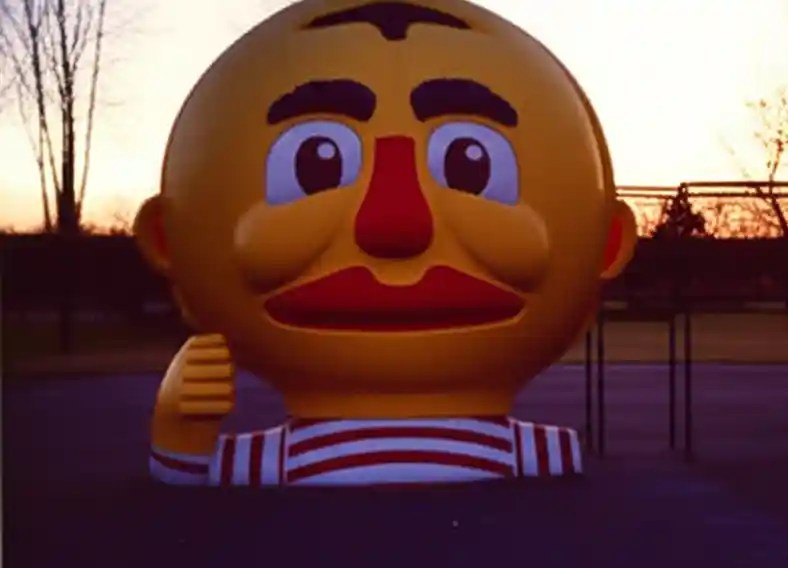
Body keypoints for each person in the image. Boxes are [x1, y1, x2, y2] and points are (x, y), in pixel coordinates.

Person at [132, 0, 637, 487]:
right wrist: (180, 426)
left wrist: (182, 445)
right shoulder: (543, 457)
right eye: (315, 166)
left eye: (469, 164)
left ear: (608, 244)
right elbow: (186, 468)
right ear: (166, 241)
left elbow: (190, 471)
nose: (396, 224)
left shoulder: (544, 454)